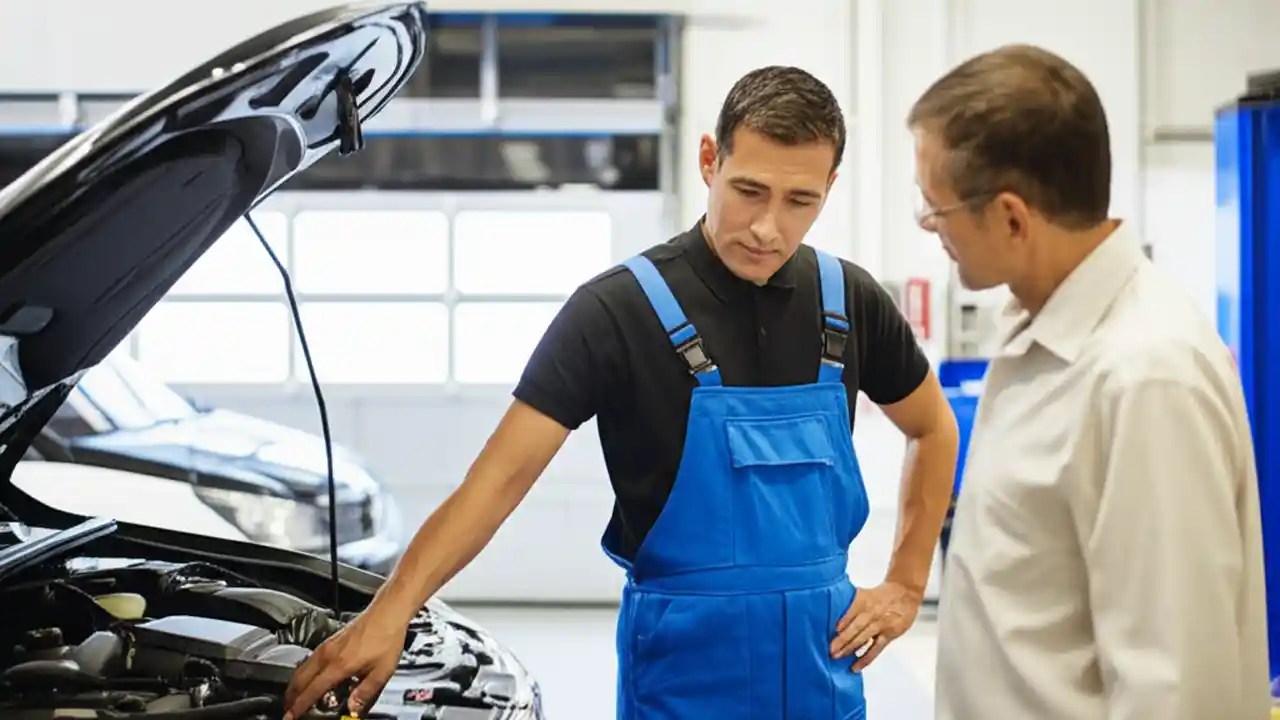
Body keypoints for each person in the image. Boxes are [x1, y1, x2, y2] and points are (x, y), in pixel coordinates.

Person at [283, 65, 959, 720]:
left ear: (830, 188)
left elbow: (934, 428)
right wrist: (392, 612)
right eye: (750, 190)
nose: (768, 227)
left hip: (823, 675)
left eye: (799, 201)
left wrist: (906, 586)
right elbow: (496, 481)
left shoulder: (850, 302)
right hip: (683, 678)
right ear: (709, 161)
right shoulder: (616, 310)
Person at [908, 44, 1272, 719]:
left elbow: (1176, 689)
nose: (930, 227)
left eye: (937, 209)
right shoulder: (1041, 332)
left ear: (1012, 217)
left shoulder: (1146, 376)